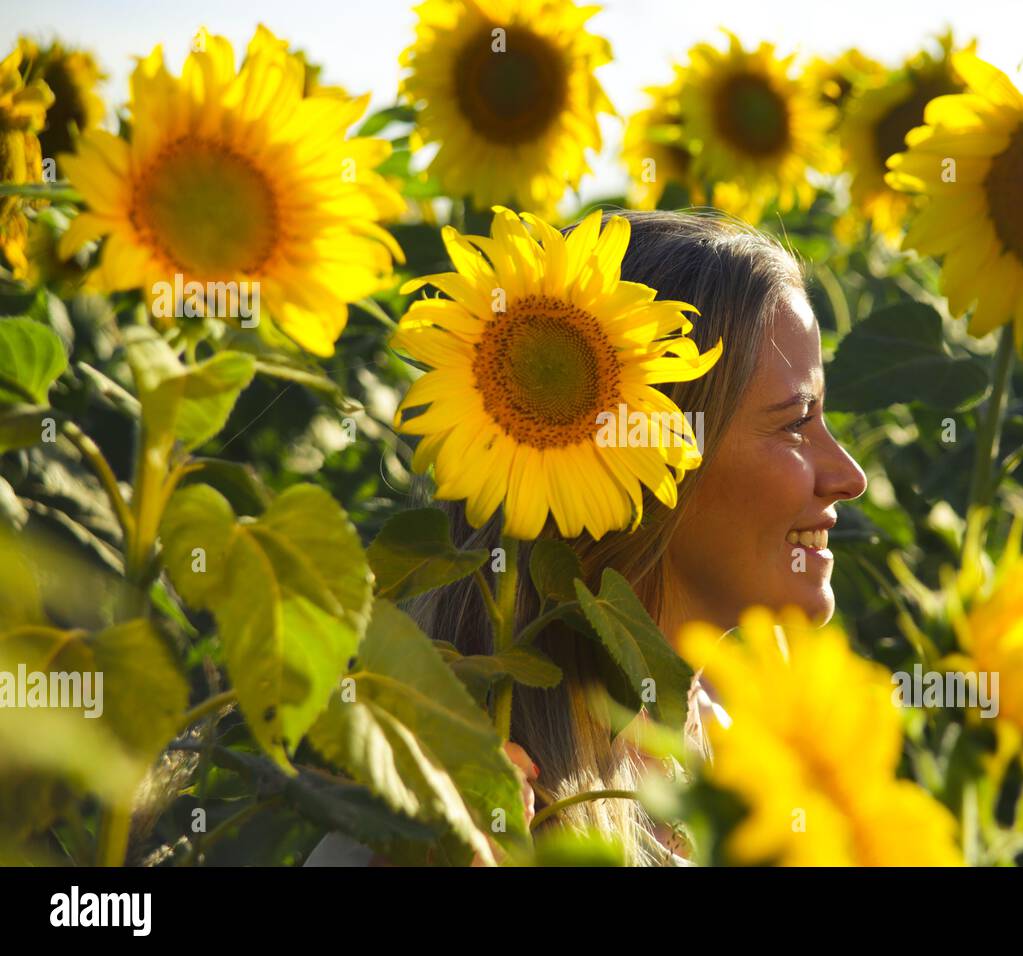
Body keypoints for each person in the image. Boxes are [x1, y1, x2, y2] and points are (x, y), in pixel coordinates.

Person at [305, 209, 866, 866]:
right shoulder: (428, 818)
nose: (848, 477)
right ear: (653, 454)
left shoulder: (744, 767)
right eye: (797, 421)